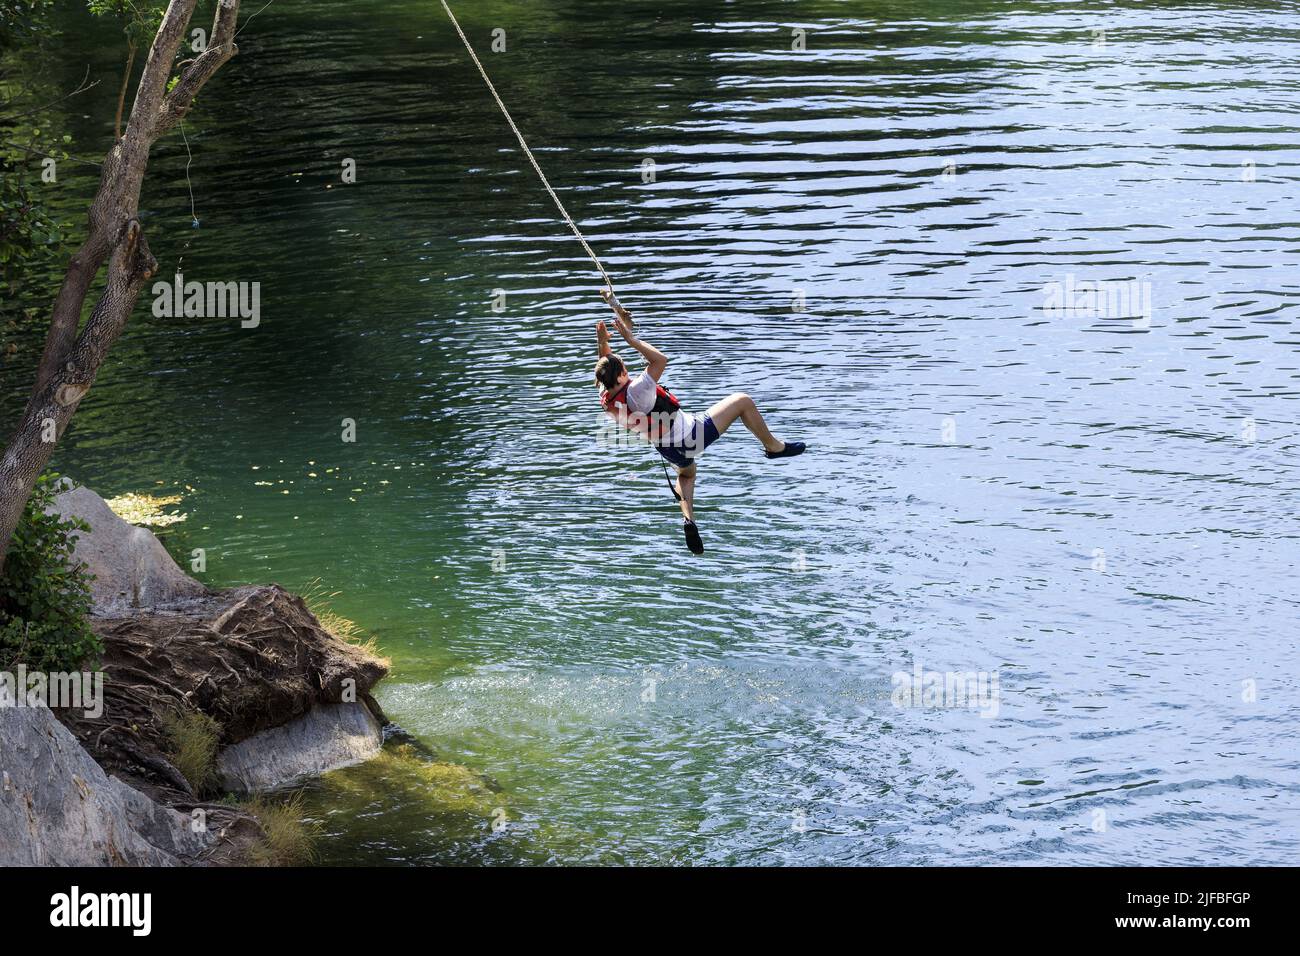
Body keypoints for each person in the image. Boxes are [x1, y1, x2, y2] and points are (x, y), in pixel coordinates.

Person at [594, 289, 805, 554]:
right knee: (742, 401)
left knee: (687, 473)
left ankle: (688, 518)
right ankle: (774, 447)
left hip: (666, 448)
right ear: (623, 373)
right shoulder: (639, 390)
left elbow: (606, 370)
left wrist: (602, 341)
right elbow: (661, 360)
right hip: (692, 434)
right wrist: (631, 338)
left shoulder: (607, 400)